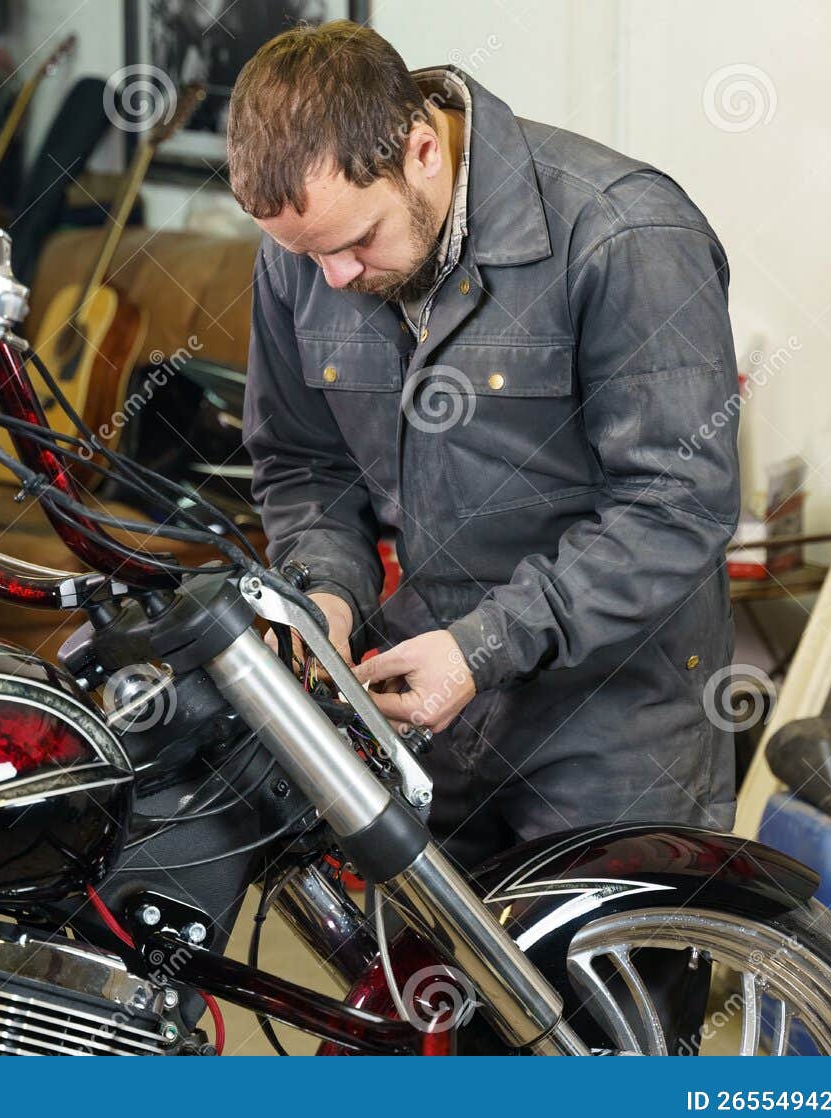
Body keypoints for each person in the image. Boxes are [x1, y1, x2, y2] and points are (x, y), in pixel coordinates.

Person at [227, 21, 741, 869]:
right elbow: (303, 463)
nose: (335, 279)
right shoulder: (307, 251)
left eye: (358, 243)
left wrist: (483, 646)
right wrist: (325, 597)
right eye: (307, 254)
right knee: (433, 990)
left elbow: (677, 504)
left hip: (613, 725)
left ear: (423, 150)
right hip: (425, 707)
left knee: (605, 998)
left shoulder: (623, 234)